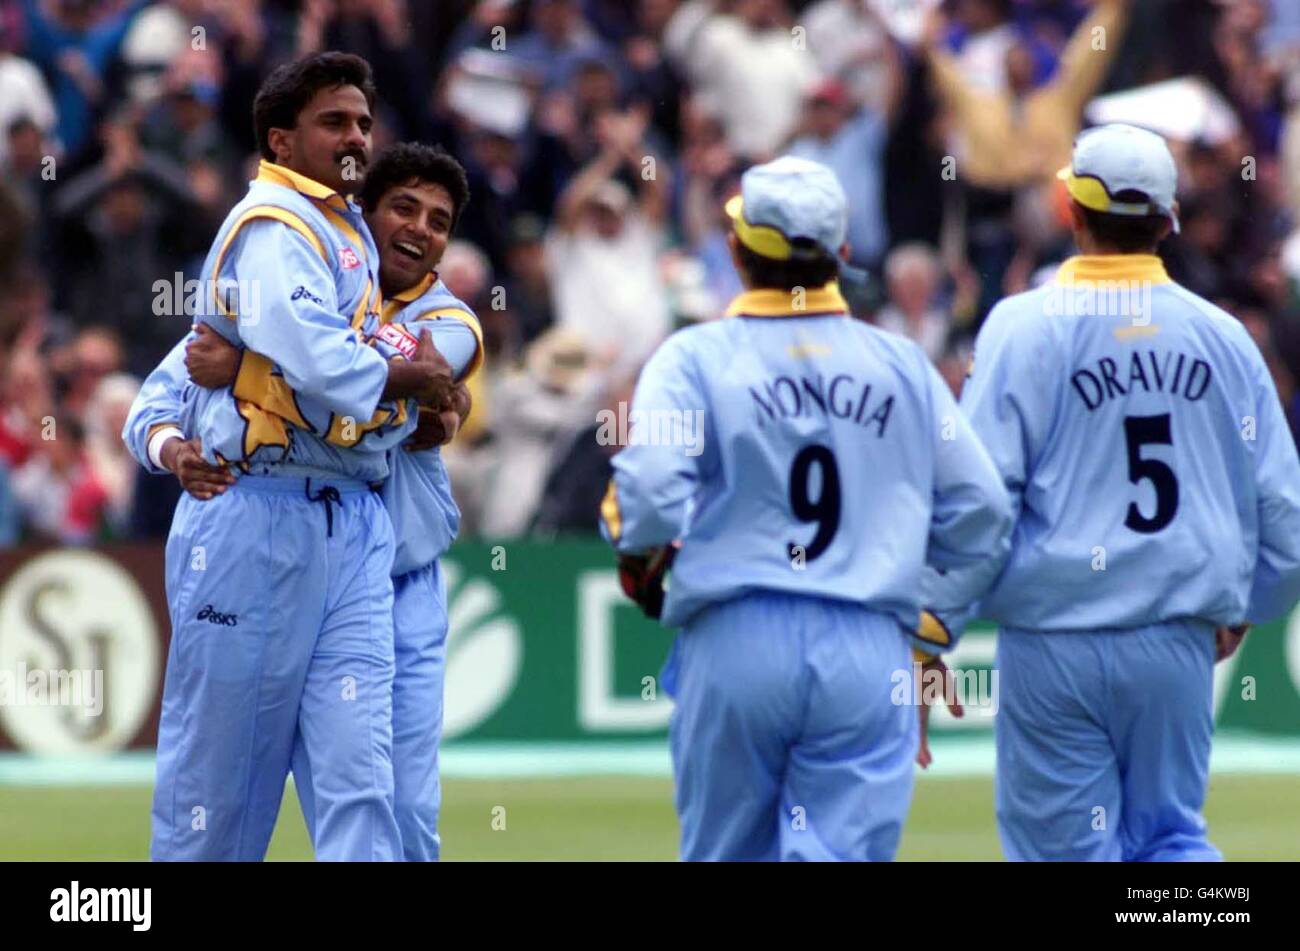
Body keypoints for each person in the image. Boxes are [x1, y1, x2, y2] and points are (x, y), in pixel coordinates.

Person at [599, 156, 1012, 861]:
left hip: (736, 632)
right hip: (868, 636)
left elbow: (650, 490)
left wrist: (641, 556)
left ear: (736, 250)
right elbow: (982, 512)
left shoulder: (692, 355)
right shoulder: (903, 364)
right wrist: (929, 628)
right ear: (842, 256)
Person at [917, 124, 1300, 861]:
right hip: (1177, 638)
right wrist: (1248, 603)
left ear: (1070, 209)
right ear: (1167, 220)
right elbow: (1282, 505)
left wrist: (932, 625)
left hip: (1057, 637)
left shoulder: (1023, 327)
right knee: (1172, 842)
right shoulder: (1223, 336)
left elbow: (982, 499)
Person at [122, 52, 453, 862]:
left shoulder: (350, 240)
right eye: (334, 122)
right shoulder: (273, 225)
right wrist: (406, 382)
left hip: (356, 524)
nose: (356, 137)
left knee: (360, 780)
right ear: (282, 138)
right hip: (257, 513)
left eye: (365, 123)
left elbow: (412, 392)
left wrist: (247, 373)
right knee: (219, 790)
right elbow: (329, 365)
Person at [174, 142, 481, 861]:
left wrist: (247, 364)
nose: (420, 228)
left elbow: (364, 397)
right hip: (297, 557)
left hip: (395, 581)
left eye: (439, 221)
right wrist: (169, 443)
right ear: (362, 216)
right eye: (404, 207)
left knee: (397, 811)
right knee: (237, 789)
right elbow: (173, 383)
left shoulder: (451, 321)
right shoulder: (299, 282)